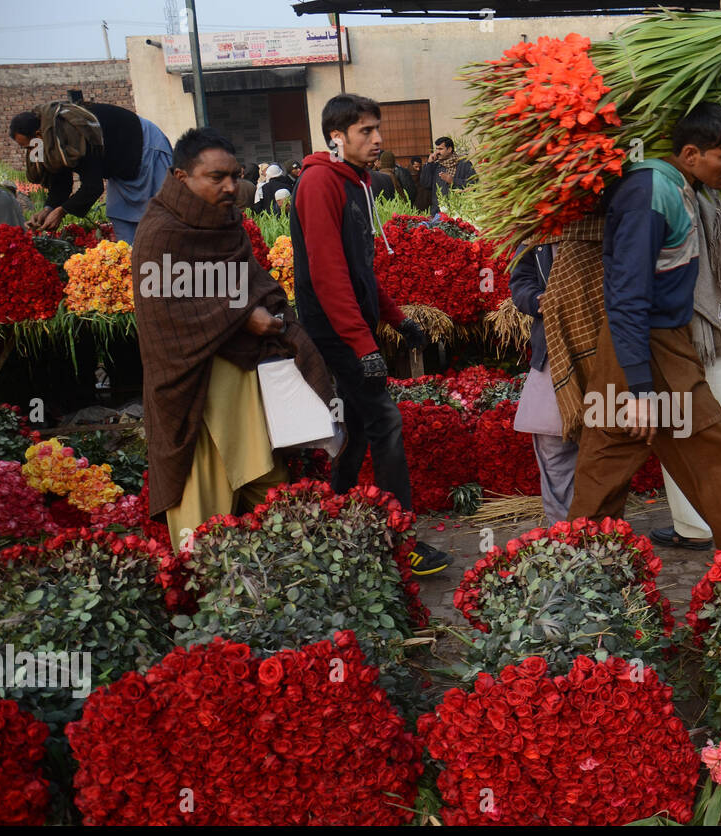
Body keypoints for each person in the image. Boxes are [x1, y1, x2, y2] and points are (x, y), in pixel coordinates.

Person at [132, 127, 334, 549]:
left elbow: (249, 282)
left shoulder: (226, 224)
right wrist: (243, 318)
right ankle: (202, 581)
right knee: (200, 497)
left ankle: (292, 562)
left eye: (234, 175)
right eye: (216, 177)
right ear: (180, 177)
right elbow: (164, 313)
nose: (229, 187)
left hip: (241, 381)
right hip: (194, 389)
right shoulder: (160, 232)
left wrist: (257, 312)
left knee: (266, 475)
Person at [568, 102, 721, 548]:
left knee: (612, 457)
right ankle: (573, 565)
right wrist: (640, 391)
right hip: (642, 344)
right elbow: (628, 297)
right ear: (690, 154)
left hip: (664, 342)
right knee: (709, 451)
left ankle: (577, 559)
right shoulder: (649, 194)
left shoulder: (680, 185)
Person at [290, 92, 453, 575]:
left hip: (353, 327)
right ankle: (399, 539)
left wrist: (397, 318)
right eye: (366, 131)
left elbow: (360, 271)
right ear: (336, 138)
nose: (378, 139)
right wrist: (361, 344)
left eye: (377, 129)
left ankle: (335, 519)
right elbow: (327, 273)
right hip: (333, 330)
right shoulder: (320, 182)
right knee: (385, 422)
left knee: (360, 426)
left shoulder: (355, 182)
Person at [648, 170, 721, 550]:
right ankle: (706, 523)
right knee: (703, 422)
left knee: (695, 423)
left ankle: (702, 524)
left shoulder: (686, 190)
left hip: (705, 326)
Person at [9, 101, 172, 242]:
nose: (31, 152)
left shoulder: (75, 135)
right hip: (119, 166)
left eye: (30, 146)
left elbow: (93, 186)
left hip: (145, 149)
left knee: (162, 217)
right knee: (121, 217)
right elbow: (61, 182)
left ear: (38, 135)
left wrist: (62, 211)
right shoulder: (53, 143)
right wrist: (48, 209)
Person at [508, 243, 577, 523]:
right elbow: (520, 282)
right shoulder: (535, 230)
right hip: (552, 345)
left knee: (602, 438)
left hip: (603, 345)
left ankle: (599, 527)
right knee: (552, 439)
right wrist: (539, 300)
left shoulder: (605, 217)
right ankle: (564, 530)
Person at [418, 136, 475, 216]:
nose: (437, 152)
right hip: (438, 212)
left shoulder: (464, 163)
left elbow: (474, 184)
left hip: (459, 211)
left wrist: (453, 181)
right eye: (436, 149)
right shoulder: (436, 165)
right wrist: (429, 164)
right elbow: (425, 184)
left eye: (440, 149)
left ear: (449, 149)